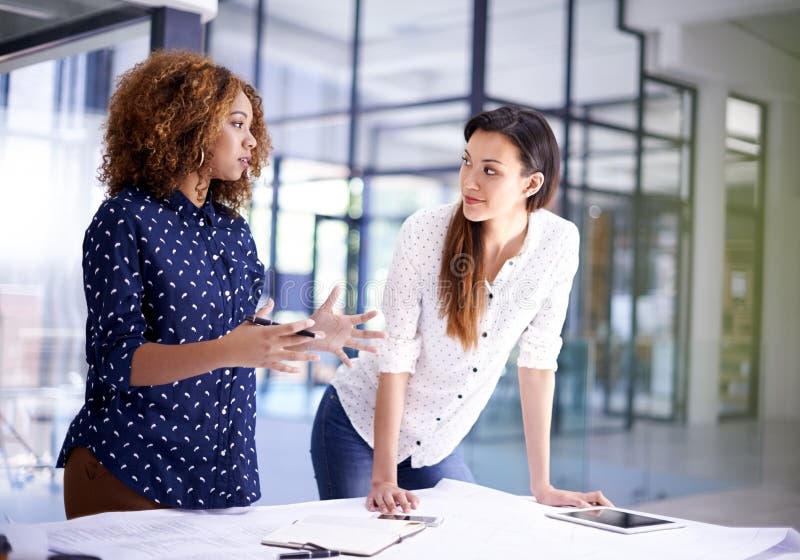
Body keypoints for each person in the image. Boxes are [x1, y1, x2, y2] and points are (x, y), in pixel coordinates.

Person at [56, 50, 382, 519]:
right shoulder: (124, 219)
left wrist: (307, 332)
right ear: (186, 122)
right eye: (236, 123)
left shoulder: (233, 229)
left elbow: (238, 335)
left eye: (252, 128)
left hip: (220, 476)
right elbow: (116, 361)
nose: (251, 141)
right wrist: (232, 348)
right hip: (131, 467)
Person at [310, 105, 612, 513]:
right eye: (466, 162)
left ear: (531, 183)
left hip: (436, 443)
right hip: (357, 425)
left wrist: (542, 485)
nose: (469, 181)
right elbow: (396, 355)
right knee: (364, 542)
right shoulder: (424, 232)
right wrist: (384, 478)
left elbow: (538, 361)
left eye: (490, 170)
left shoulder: (559, 243)